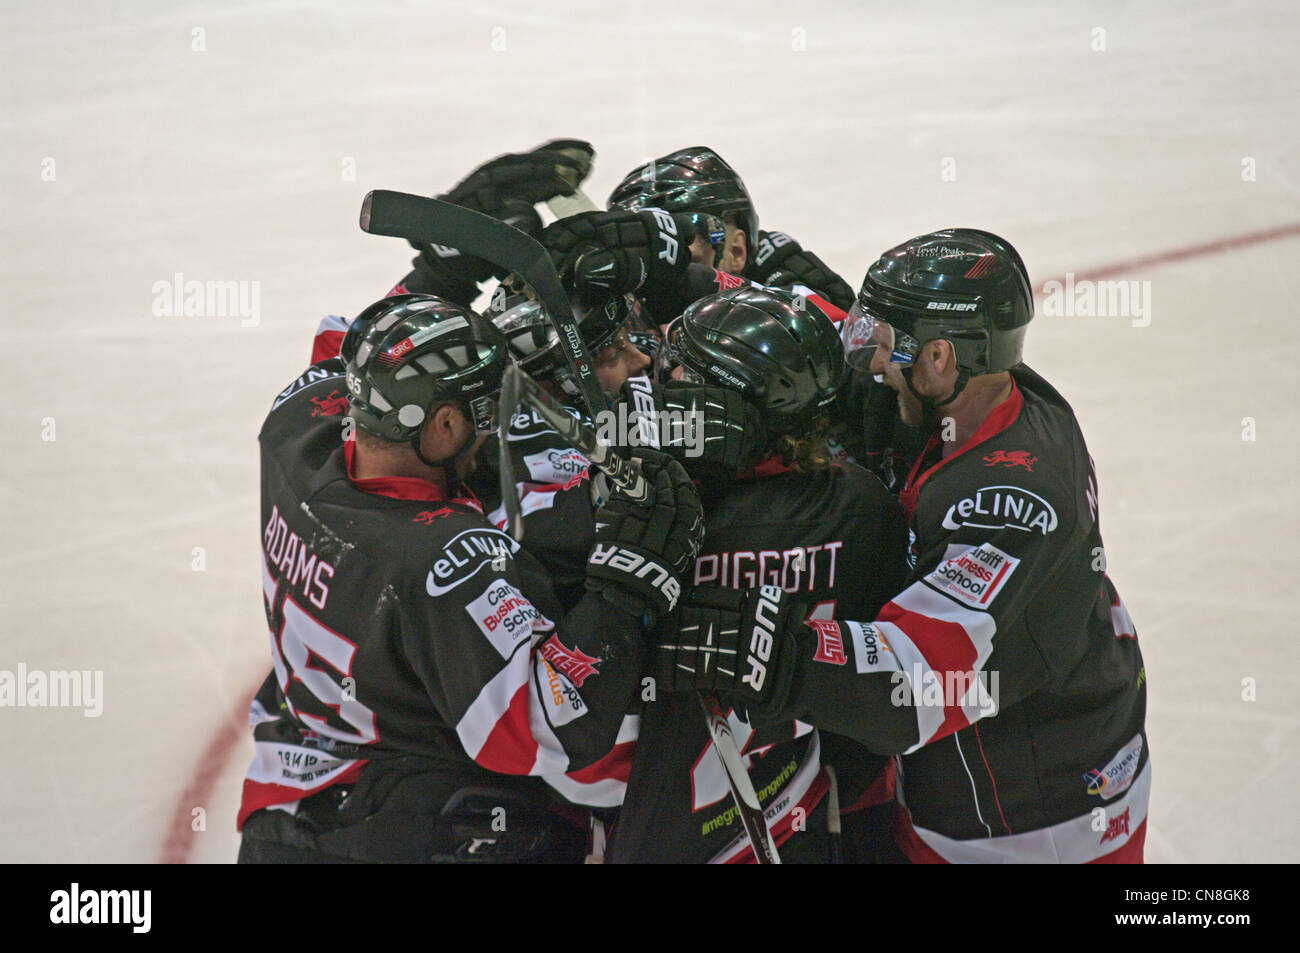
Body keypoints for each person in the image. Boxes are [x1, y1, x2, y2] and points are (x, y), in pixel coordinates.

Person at [654, 229, 1150, 863]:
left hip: (1032, 824)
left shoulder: (1013, 507)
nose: (874, 364)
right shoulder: (969, 396)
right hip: (983, 781)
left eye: (887, 345)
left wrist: (773, 654)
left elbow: (915, 683)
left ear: (940, 356)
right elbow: (823, 333)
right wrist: (687, 270)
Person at [237, 293, 704, 863]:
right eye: (481, 414)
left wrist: (442, 274)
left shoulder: (295, 426)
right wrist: (627, 584)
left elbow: (343, 345)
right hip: (397, 830)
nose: (494, 429)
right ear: (446, 423)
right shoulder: (447, 561)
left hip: (284, 807)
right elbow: (551, 726)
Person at [607, 286, 908, 863]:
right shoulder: (866, 507)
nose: (658, 380)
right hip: (805, 813)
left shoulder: (669, 521)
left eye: (679, 371)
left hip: (669, 829)